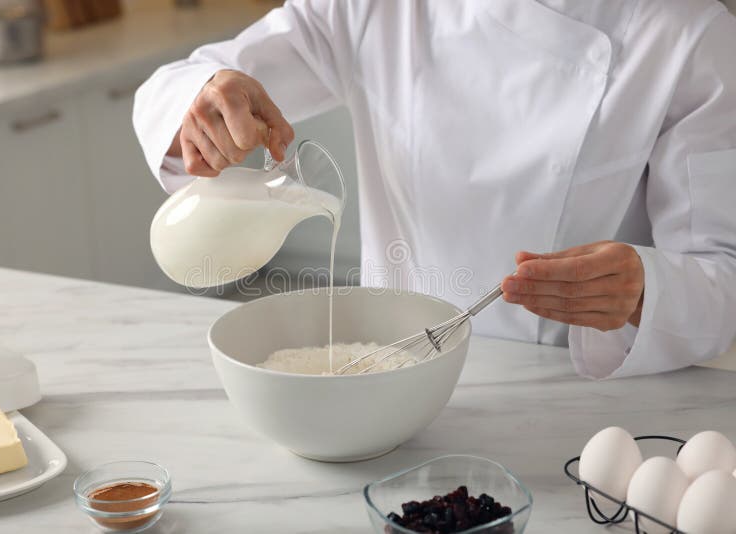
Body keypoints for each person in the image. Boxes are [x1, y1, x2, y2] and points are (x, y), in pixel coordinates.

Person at [133, 0, 736, 379]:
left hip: (565, 391)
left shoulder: (691, 36)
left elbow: (722, 275)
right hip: (384, 373)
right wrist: (208, 100)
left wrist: (642, 291)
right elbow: (188, 80)